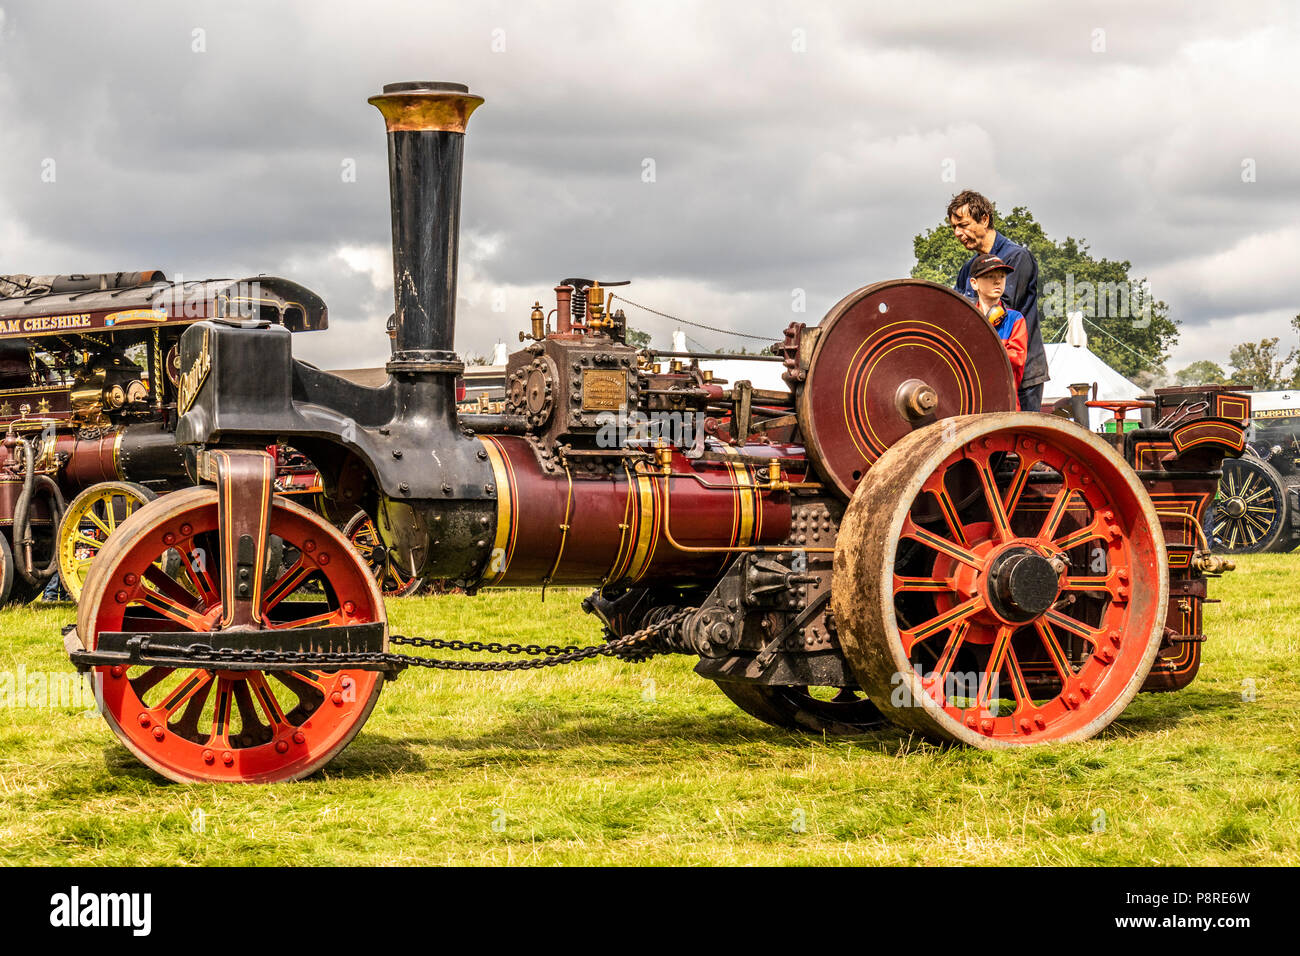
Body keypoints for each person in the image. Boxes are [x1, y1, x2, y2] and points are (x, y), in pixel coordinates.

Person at [947, 189, 1047, 411]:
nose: (957, 233)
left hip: (1022, 374)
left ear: (984, 219)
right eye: (954, 227)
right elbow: (956, 315)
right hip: (984, 374)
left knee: (1023, 441)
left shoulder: (1017, 257)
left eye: (963, 225)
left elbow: (998, 311)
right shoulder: (967, 270)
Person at [967, 254, 1027, 404]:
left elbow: (1017, 359)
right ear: (974, 283)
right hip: (973, 402)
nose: (997, 281)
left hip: (1006, 401)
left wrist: (984, 346)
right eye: (989, 276)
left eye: (1002, 276)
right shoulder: (965, 320)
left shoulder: (1015, 319)